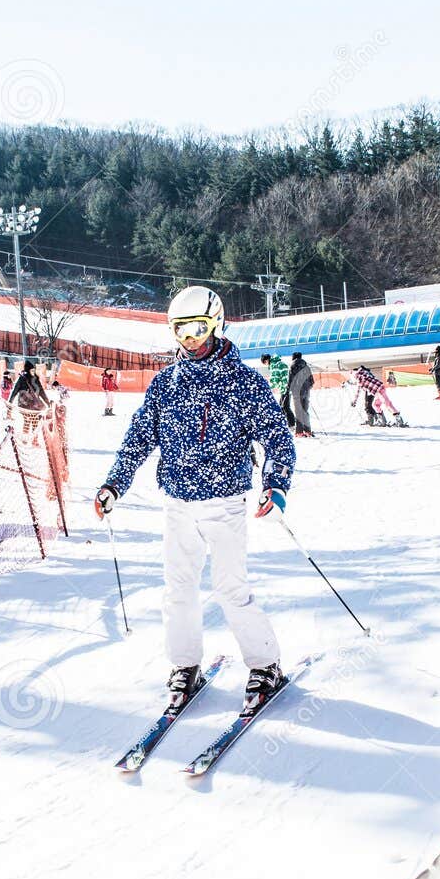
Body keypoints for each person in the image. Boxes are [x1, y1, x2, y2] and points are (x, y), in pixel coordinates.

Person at [94, 285, 296, 716]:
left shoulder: (244, 382)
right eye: (181, 331)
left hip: (224, 502)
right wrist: (115, 484)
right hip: (178, 504)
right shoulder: (166, 384)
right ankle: (185, 665)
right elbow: (139, 438)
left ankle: (266, 665)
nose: (190, 339)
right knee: (178, 590)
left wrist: (276, 484)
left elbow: (278, 438)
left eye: (198, 329)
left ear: (216, 323)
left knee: (230, 589)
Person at [287, 352, 315, 438]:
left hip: (297, 392)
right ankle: (308, 431)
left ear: (293, 358)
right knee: (305, 412)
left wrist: (289, 389)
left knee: (298, 412)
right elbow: (312, 381)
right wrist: (307, 388)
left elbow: (290, 380)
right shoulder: (307, 367)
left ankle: (299, 432)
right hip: (306, 392)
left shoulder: (292, 366)